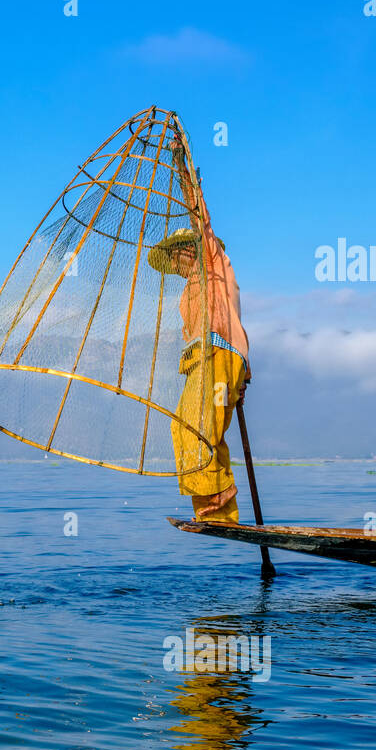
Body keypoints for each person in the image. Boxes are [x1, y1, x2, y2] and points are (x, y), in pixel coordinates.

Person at [148, 149, 250, 523]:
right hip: (205, 363)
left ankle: (220, 493)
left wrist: (181, 165)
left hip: (218, 357)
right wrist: (243, 375)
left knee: (193, 426)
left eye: (178, 254)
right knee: (195, 429)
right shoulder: (188, 292)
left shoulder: (213, 266)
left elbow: (198, 213)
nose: (175, 262)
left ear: (191, 249)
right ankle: (222, 513)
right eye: (172, 258)